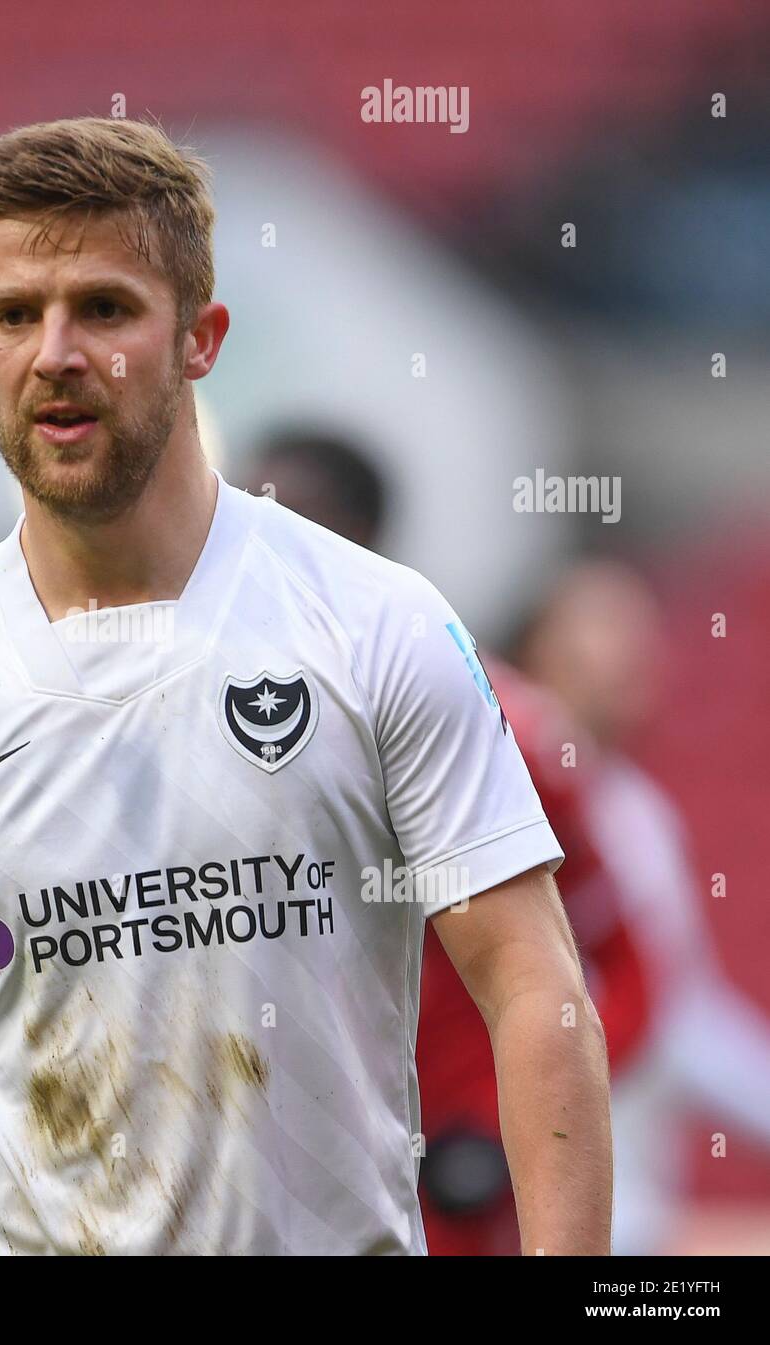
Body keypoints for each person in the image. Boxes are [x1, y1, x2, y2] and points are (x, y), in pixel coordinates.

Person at [0, 116, 611, 1257]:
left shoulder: (379, 627)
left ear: (200, 338)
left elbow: (535, 989)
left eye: (102, 307)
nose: (54, 352)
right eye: (12, 315)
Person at [242, 429, 651, 1254]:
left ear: (360, 539)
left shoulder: (507, 729)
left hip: (451, 1184)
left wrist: (502, 1128)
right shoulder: (190, 723)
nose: (257, 552)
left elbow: (629, 972)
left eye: (295, 522)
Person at [517, 557, 770, 1255]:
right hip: (515, 1198)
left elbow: (678, 1007)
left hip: (627, 1205)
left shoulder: (639, 810)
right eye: (603, 624)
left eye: (642, 629)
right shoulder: (496, 795)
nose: (634, 647)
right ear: (540, 643)